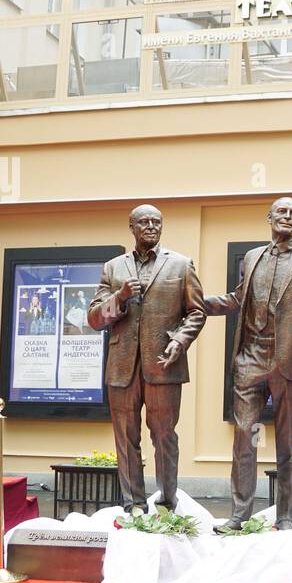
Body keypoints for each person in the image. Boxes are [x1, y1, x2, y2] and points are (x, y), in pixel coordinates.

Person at [207, 198, 292, 533]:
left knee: (288, 443)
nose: (287, 217)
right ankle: (239, 514)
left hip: (288, 360)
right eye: (282, 212)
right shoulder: (252, 257)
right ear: (270, 218)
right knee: (243, 438)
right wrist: (199, 304)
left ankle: (287, 516)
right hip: (250, 359)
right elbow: (238, 298)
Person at [88, 205, 206, 514]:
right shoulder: (113, 268)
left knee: (164, 435)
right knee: (126, 438)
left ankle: (167, 502)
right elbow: (94, 318)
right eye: (144, 222)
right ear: (132, 227)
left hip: (164, 365)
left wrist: (180, 340)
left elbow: (197, 311)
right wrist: (120, 297)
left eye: (157, 222)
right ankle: (134, 505)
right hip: (122, 367)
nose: (151, 226)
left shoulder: (181, 265)